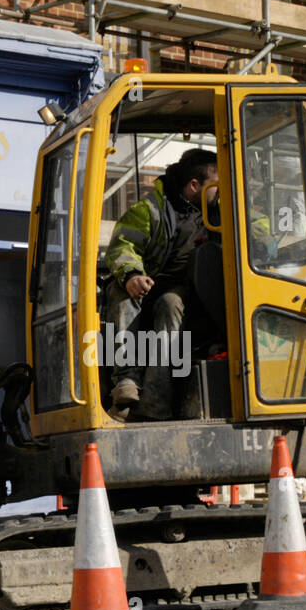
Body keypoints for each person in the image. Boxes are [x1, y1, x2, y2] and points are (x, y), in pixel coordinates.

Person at [102, 148, 218, 420]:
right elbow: (123, 245)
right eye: (216, 184)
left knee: (170, 304)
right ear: (194, 186)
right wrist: (132, 275)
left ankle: (154, 403)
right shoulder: (149, 211)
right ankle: (125, 381)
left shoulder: (221, 210)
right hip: (147, 283)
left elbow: (255, 225)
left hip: (187, 293)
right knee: (120, 291)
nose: (221, 190)